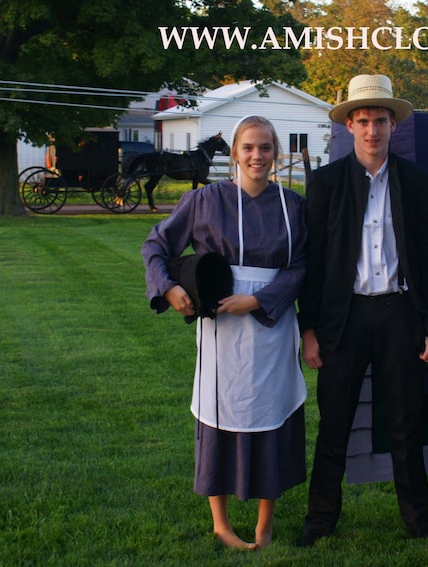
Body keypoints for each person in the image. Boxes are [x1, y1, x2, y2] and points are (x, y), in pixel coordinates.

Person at [141, 116, 308, 550]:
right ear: (234, 152)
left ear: (275, 153)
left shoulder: (292, 205)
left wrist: (257, 300)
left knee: (271, 414)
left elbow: (301, 267)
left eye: (265, 147)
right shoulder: (204, 200)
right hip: (221, 332)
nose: (257, 156)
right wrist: (169, 287)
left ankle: (265, 524)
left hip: (271, 324)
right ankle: (221, 523)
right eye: (248, 147)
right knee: (220, 413)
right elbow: (156, 245)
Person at [298, 74, 428, 546]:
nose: (371, 130)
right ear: (349, 126)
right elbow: (313, 261)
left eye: (380, 121)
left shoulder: (415, 181)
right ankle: (319, 521)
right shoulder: (326, 182)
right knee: (334, 424)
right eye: (362, 121)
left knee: (405, 424)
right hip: (344, 318)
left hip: (400, 313)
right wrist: (309, 328)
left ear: (393, 125)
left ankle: (419, 521)